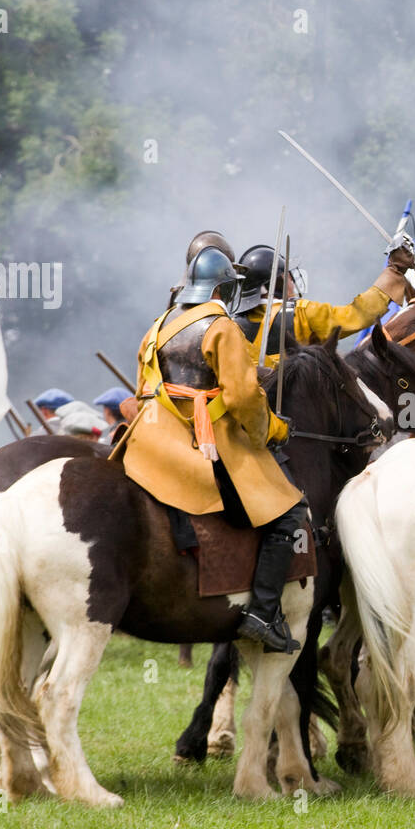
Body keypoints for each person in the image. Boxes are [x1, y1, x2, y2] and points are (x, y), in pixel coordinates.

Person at [115, 246, 311, 653]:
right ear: (222, 288)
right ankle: (262, 612)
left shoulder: (159, 324)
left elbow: (142, 389)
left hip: (150, 441)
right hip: (202, 442)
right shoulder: (221, 326)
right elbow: (241, 399)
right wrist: (272, 428)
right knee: (288, 513)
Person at [229, 239, 411, 365]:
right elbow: (357, 315)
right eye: (288, 276)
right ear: (279, 281)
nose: (292, 281)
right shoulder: (303, 313)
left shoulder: (232, 325)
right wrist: (394, 270)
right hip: (302, 408)